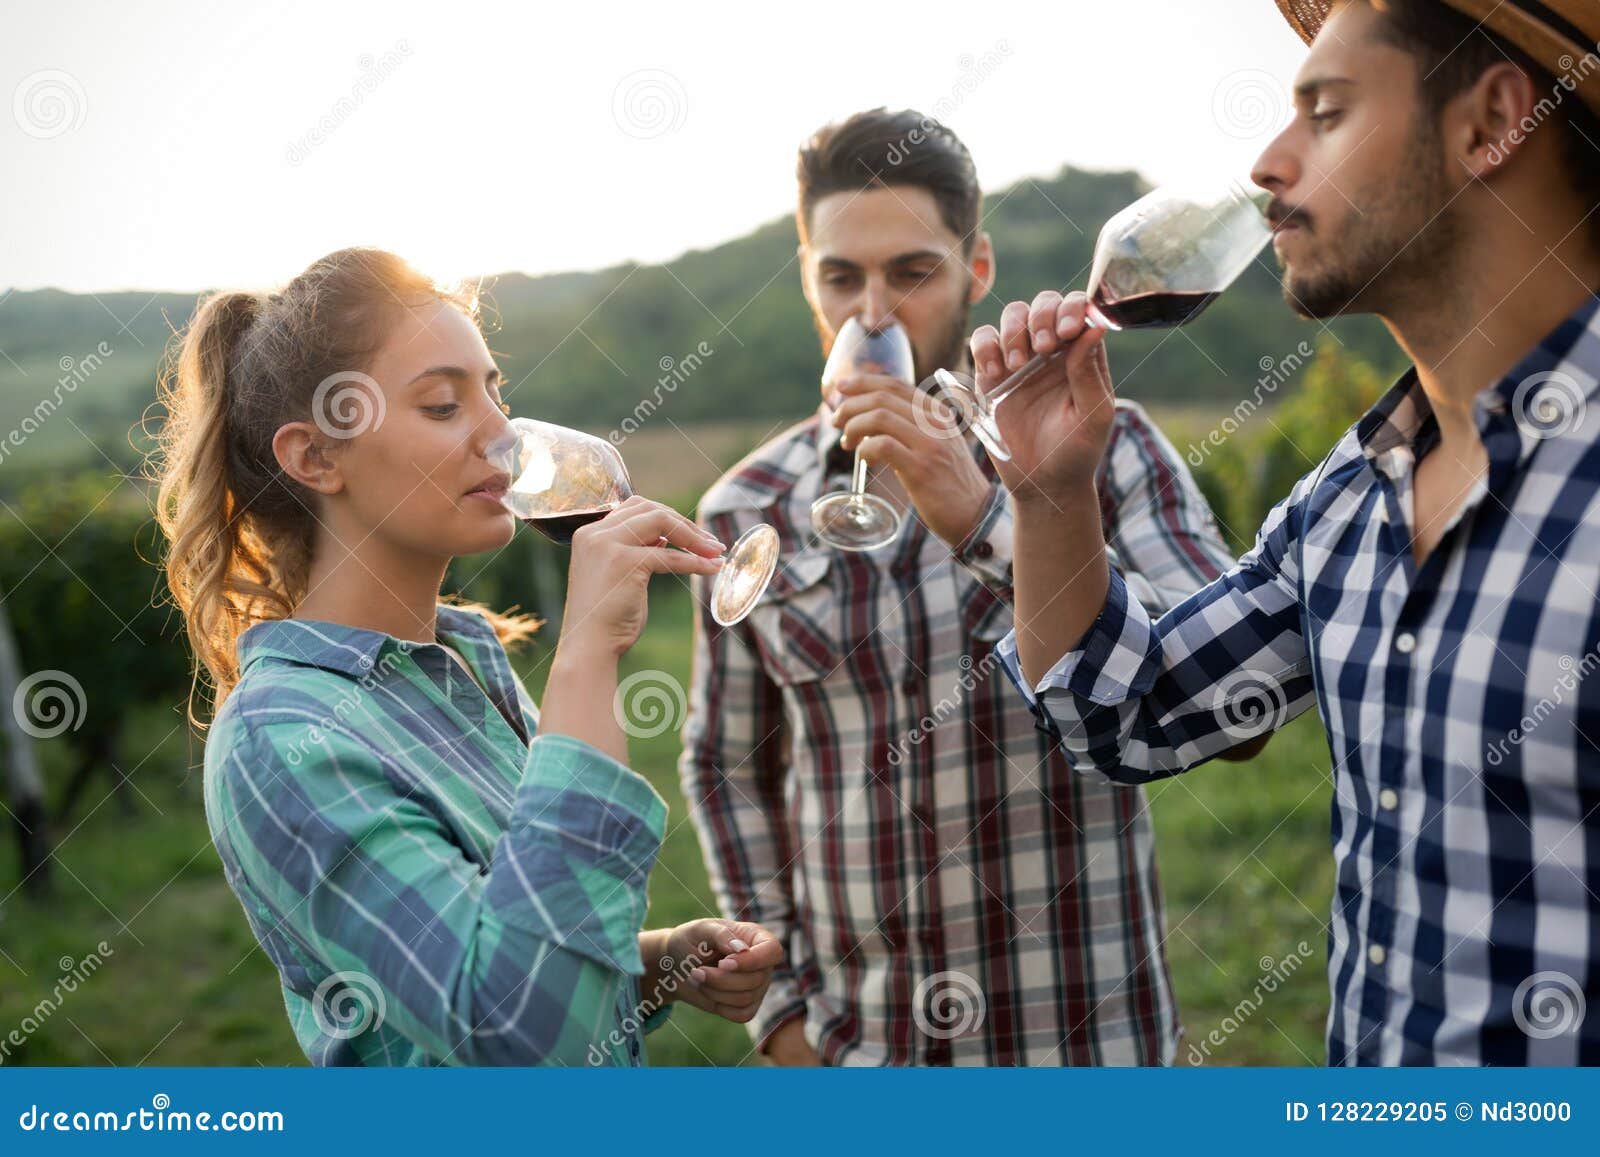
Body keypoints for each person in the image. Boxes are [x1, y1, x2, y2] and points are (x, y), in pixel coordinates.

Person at [983, 0, 1600, 1064]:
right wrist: (1048, 495)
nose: (1269, 164)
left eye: (1326, 113)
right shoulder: (1345, 505)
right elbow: (1127, 713)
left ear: (1493, 120)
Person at [680, 108, 1263, 1067]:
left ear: (976, 267)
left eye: (912, 271)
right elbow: (726, 766)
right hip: (863, 1052)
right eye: (841, 277)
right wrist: (781, 1020)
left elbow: (1234, 713)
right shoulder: (747, 505)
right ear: (807, 277)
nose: (874, 313)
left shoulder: (1103, 447)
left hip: (1081, 1044)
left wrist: (998, 521)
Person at [153, 247, 782, 1065]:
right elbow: (521, 1033)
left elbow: (520, 937)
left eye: (497, 394)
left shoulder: (461, 663)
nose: (505, 436)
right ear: (315, 456)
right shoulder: (281, 737)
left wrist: (659, 962)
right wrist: (587, 652)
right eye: (444, 404)